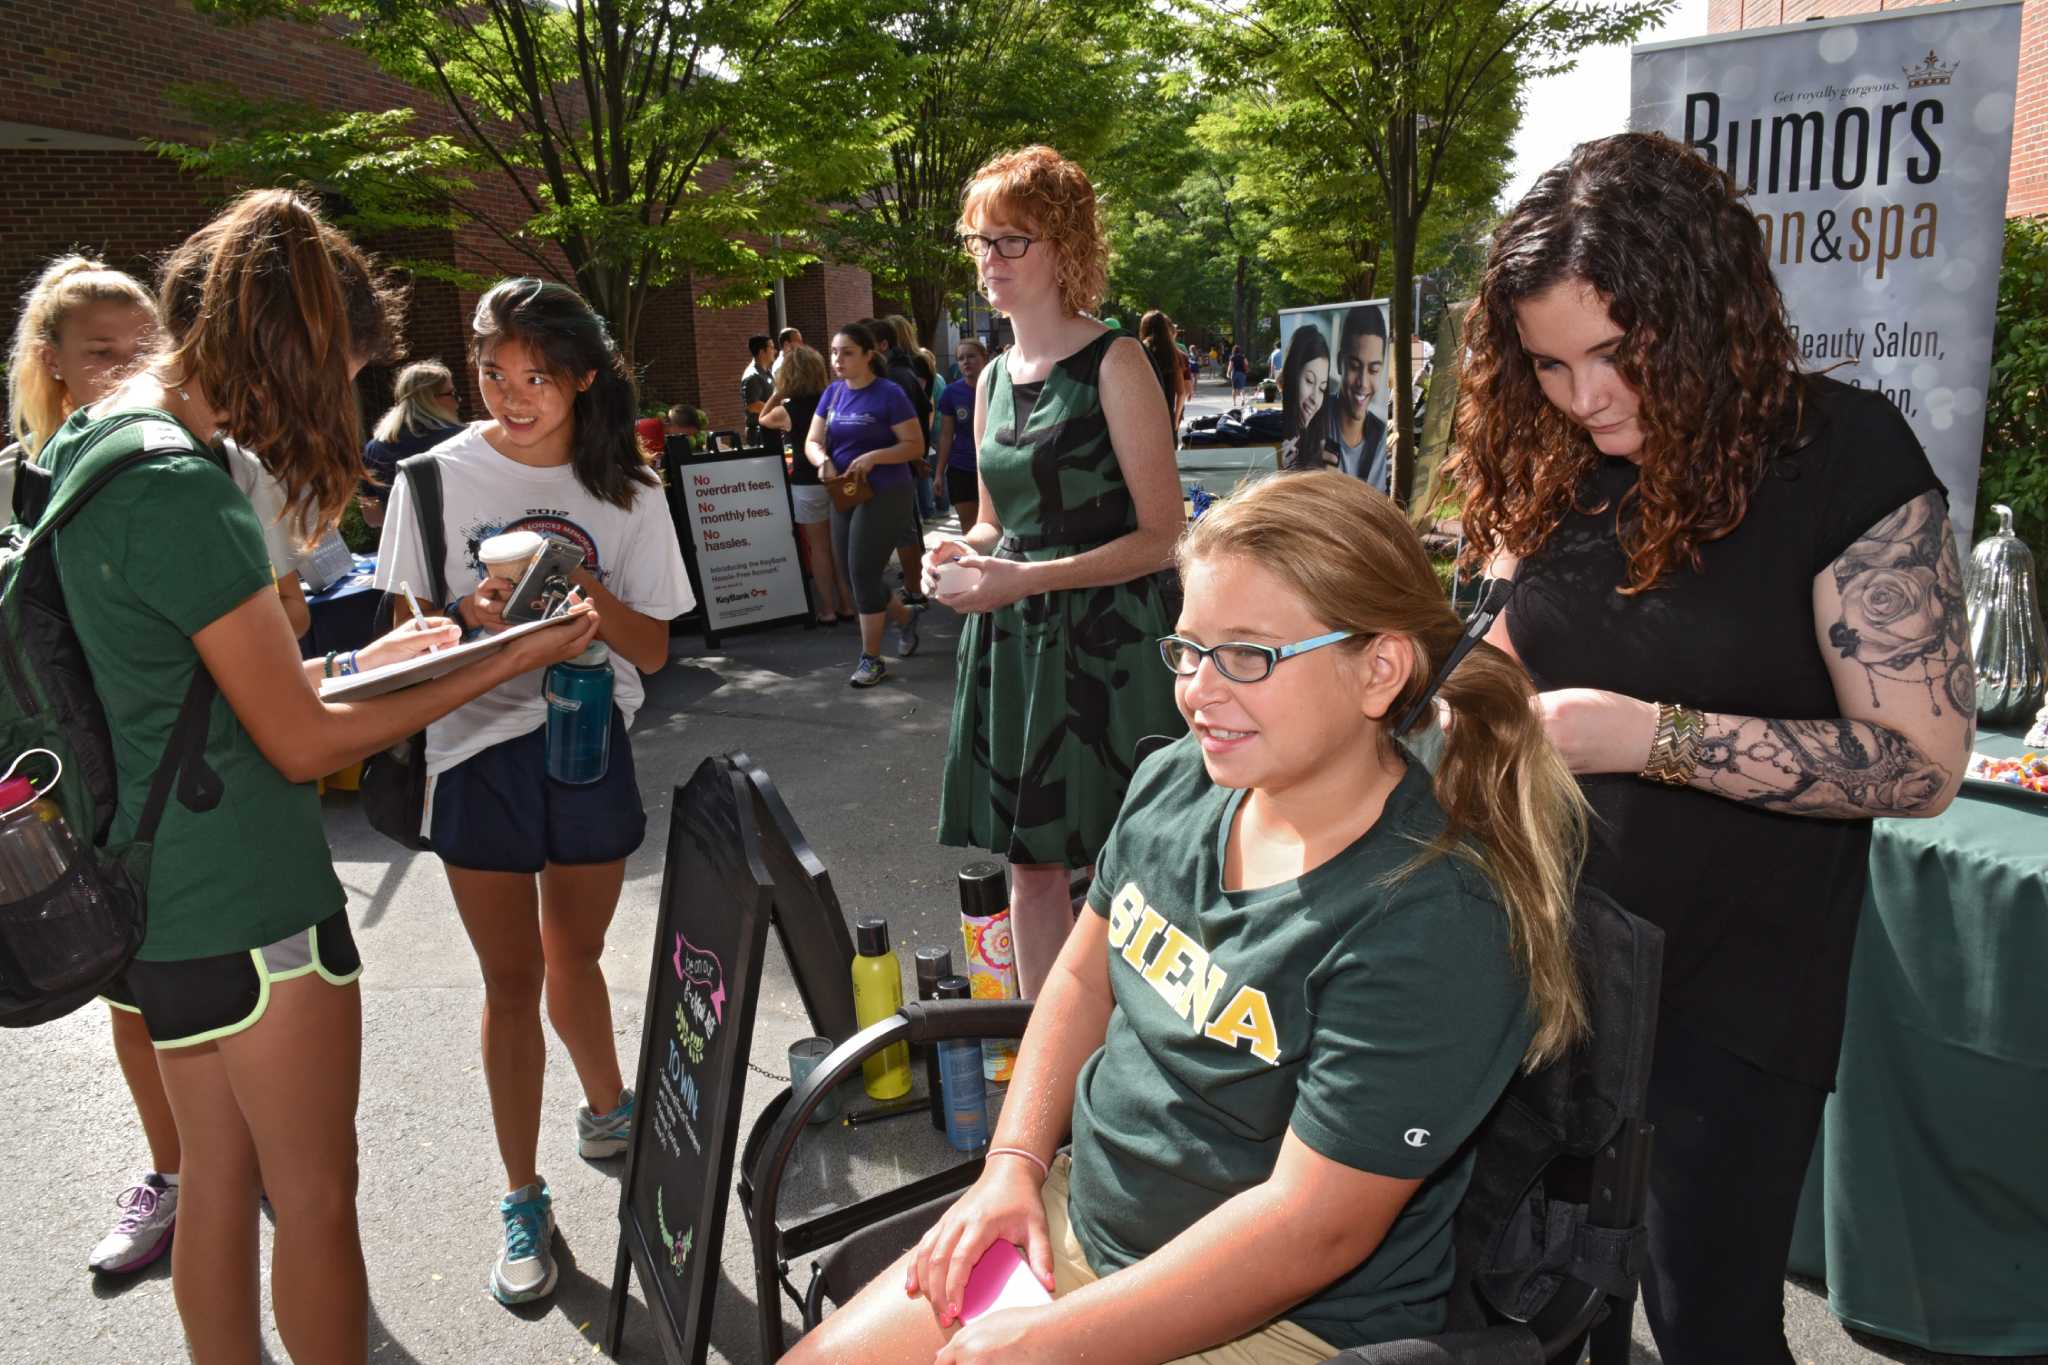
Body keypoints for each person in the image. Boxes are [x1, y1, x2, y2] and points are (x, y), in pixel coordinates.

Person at [789, 471, 1588, 1365]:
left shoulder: (1434, 919)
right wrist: (1012, 1161)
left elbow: (1311, 1227)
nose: (1197, 690)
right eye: (1188, 648)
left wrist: (1061, 1340)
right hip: (1080, 1220)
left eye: (1246, 655)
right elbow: (1083, 977)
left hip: (1278, 1316)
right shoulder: (1177, 782)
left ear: (1379, 670)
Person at [41, 189, 600, 1365]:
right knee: (314, 1197)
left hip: (156, 881)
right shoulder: (184, 485)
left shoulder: (104, 439)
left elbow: (198, 688)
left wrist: (361, 660)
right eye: (338, 373)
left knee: (214, 1175)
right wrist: (506, 656)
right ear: (289, 345)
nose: (336, 404)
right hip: (250, 899)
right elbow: (298, 743)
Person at [1445, 131, 1973, 1365]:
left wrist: (1646, 738)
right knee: (1514, 1295)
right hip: (1541, 949)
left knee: (1707, 1322)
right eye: (1549, 364)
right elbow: (1503, 645)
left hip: (1738, 983)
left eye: (1615, 356)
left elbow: (1920, 761)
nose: (1584, 397)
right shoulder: (1545, 452)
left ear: (1699, 312)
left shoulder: (1838, 455)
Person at [376, 278, 691, 1308]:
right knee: (509, 980)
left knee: (577, 953)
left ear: (583, 378)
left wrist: (580, 593)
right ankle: (520, 1195)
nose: (512, 397)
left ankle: (607, 1109)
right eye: (493, 374)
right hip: (474, 750)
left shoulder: (627, 488)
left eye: (537, 378)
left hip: (589, 741)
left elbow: (656, 648)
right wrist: (469, 615)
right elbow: (404, 643)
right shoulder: (429, 479)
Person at [926, 145, 1184, 998]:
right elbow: (997, 523)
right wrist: (959, 551)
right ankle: (1047, 1054)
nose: (990, 260)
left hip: (1113, 647)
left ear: (1064, 246)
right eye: (980, 241)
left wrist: (1022, 579)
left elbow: (1163, 537)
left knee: (1136, 863)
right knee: (1030, 867)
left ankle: (1144, 1045)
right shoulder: (990, 380)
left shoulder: (1115, 361)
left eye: (1012, 240)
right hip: (1018, 644)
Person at [4, 254, 189, 1274]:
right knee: (124, 990)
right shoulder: (17, 482)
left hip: (179, 775)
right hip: (66, 787)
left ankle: (237, 1153)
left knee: (205, 988)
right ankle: (173, 1170)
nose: (123, 368)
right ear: (53, 361)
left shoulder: (176, 460)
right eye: (100, 352)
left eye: (139, 349)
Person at [804, 321, 926, 687]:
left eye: (847, 353)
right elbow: (812, 441)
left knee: (860, 572)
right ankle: (904, 616)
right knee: (853, 575)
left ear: (869, 355)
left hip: (886, 491)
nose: (837, 360)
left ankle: (871, 659)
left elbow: (915, 446)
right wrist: (822, 461)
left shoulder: (889, 393)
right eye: (834, 353)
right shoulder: (833, 393)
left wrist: (875, 457)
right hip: (845, 491)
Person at [760, 342, 852, 624]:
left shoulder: (787, 410)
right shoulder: (836, 401)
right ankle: (848, 604)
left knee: (819, 548)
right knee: (840, 545)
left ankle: (827, 609)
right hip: (838, 477)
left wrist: (777, 393)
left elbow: (763, 419)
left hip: (806, 482)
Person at [360, 359, 463, 530]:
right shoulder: (461, 439)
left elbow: (372, 518)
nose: (458, 400)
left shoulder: (373, 449)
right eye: (452, 393)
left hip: (402, 541)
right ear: (429, 399)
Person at [1331, 307, 1389, 489]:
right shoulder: (1315, 420)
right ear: (1340, 363)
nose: (1363, 383)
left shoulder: (1381, 436)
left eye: (1374, 370)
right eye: (1355, 366)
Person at [932, 337, 988, 528]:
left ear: (984, 357)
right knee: (970, 527)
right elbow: (946, 435)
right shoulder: (951, 393)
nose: (966, 362)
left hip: (993, 467)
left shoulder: (998, 387)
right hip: (961, 467)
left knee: (996, 527)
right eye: (961, 358)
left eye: (971, 356)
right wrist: (939, 473)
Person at [1279, 326, 1333, 473]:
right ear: (1292, 375)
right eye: (1309, 380)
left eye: (1322, 388)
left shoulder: (1322, 444)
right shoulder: (1274, 433)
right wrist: (1280, 468)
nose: (1315, 399)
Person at [1138, 310, 1191, 445]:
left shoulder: (1140, 349)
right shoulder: (1175, 354)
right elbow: (1181, 393)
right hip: (1166, 418)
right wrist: (1175, 420)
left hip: (1144, 417)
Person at [743, 333, 778, 452]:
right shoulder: (753, 376)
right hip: (760, 435)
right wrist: (779, 410)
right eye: (772, 348)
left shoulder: (766, 372)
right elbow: (753, 405)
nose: (775, 351)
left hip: (771, 430)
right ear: (762, 352)